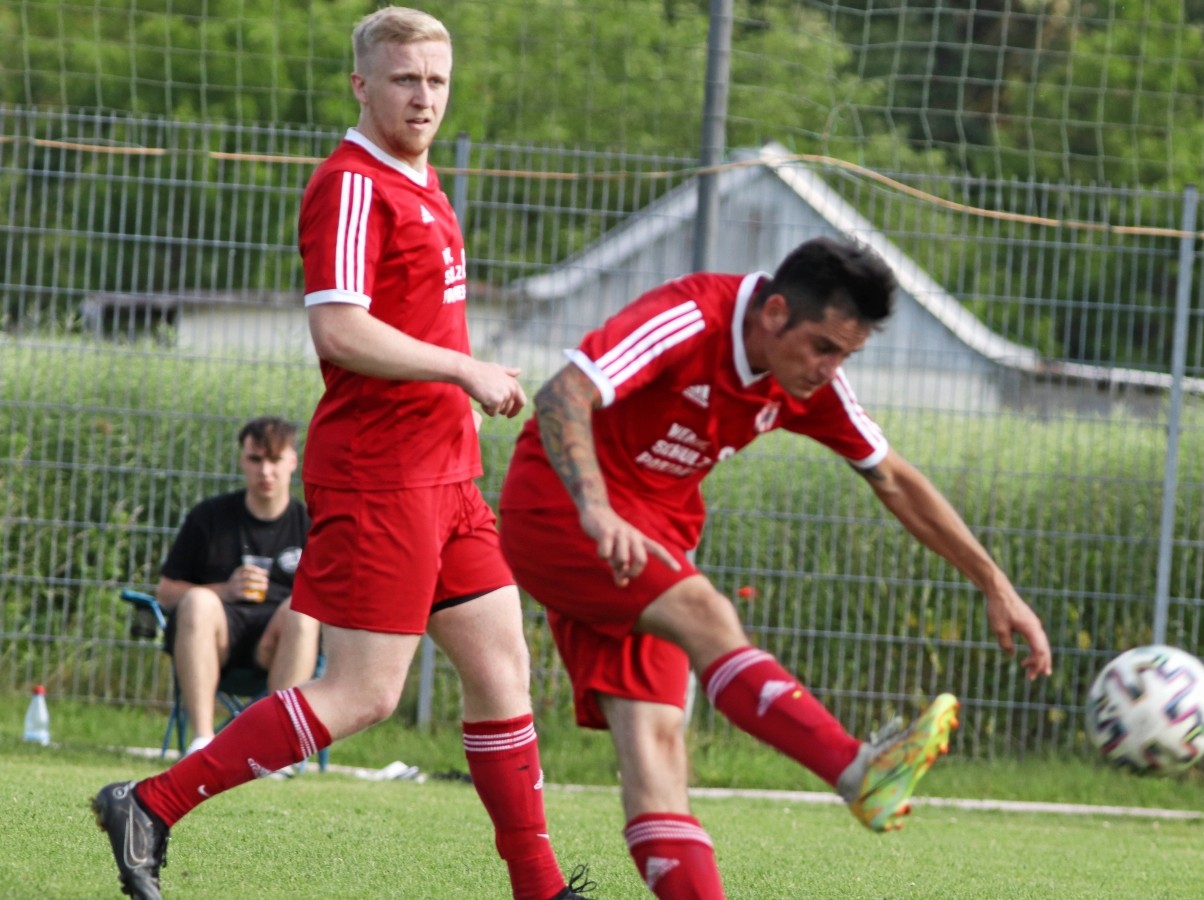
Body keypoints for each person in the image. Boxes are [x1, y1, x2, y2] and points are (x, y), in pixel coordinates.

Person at [93, 9, 583, 900]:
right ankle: (150, 804)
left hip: (447, 477)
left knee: (502, 663)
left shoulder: (424, 182)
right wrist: (465, 369)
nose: (424, 96)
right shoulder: (351, 183)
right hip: (382, 474)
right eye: (405, 79)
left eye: (436, 79)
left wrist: (457, 400)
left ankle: (541, 889)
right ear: (363, 84)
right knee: (363, 693)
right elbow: (339, 328)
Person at [497, 236, 1055, 898]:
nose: (830, 369)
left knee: (658, 759)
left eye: (847, 354)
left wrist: (996, 585)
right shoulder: (690, 318)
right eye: (823, 347)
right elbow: (562, 393)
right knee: (707, 615)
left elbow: (895, 478)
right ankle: (858, 772)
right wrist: (595, 510)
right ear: (774, 313)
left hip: (653, 536)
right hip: (561, 505)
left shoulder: (810, 381)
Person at [155, 415, 318, 757]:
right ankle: (202, 742)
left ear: (292, 461)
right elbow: (166, 593)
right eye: (256, 460)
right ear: (242, 460)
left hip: (277, 643)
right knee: (198, 602)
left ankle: (275, 749)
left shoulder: (312, 525)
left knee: (301, 611)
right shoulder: (209, 517)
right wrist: (224, 591)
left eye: (274, 460)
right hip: (216, 640)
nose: (265, 472)